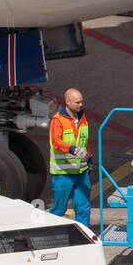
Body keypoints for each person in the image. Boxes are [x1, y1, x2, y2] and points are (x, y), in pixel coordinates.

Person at [48, 88, 92, 228]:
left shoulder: (82, 117)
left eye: (81, 102)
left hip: (81, 172)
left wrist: (89, 158)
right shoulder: (58, 120)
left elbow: (85, 140)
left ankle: (83, 236)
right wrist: (72, 149)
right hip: (63, 174)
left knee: (83, 207)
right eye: (77, 102)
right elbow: (56, 142)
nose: (80, 105)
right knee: (59, 210)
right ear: (67, 102)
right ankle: (53, 235)